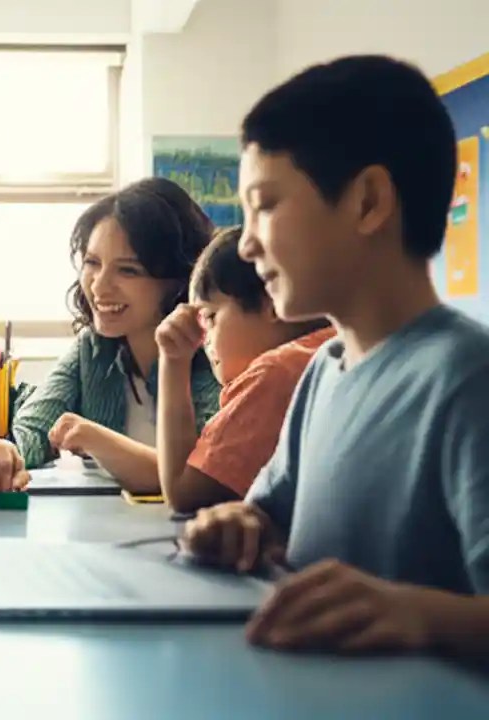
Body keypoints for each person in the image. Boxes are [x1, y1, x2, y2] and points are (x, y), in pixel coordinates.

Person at [183, 55, 489, 656]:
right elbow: (269, 517)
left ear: (368, 202)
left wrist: (418, 614)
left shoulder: (466, 380)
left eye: (265, 205)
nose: (246, 245)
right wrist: (239, 527)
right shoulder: (322, 373)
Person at [0, 178, 219, 493]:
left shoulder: (216, 356)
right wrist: (4, 452)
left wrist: (94, 438)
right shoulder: (92, 348)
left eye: (128, 270)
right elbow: (35, 427)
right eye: (92, 263)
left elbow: (198, 476)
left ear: (179, 279)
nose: (99, 285)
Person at [154, 226, 333, 512]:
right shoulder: (333, 350)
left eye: (210, 317)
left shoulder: (275, 374)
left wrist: (173, 361)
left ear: (272, 302)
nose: (203, 339)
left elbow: (183, 493)